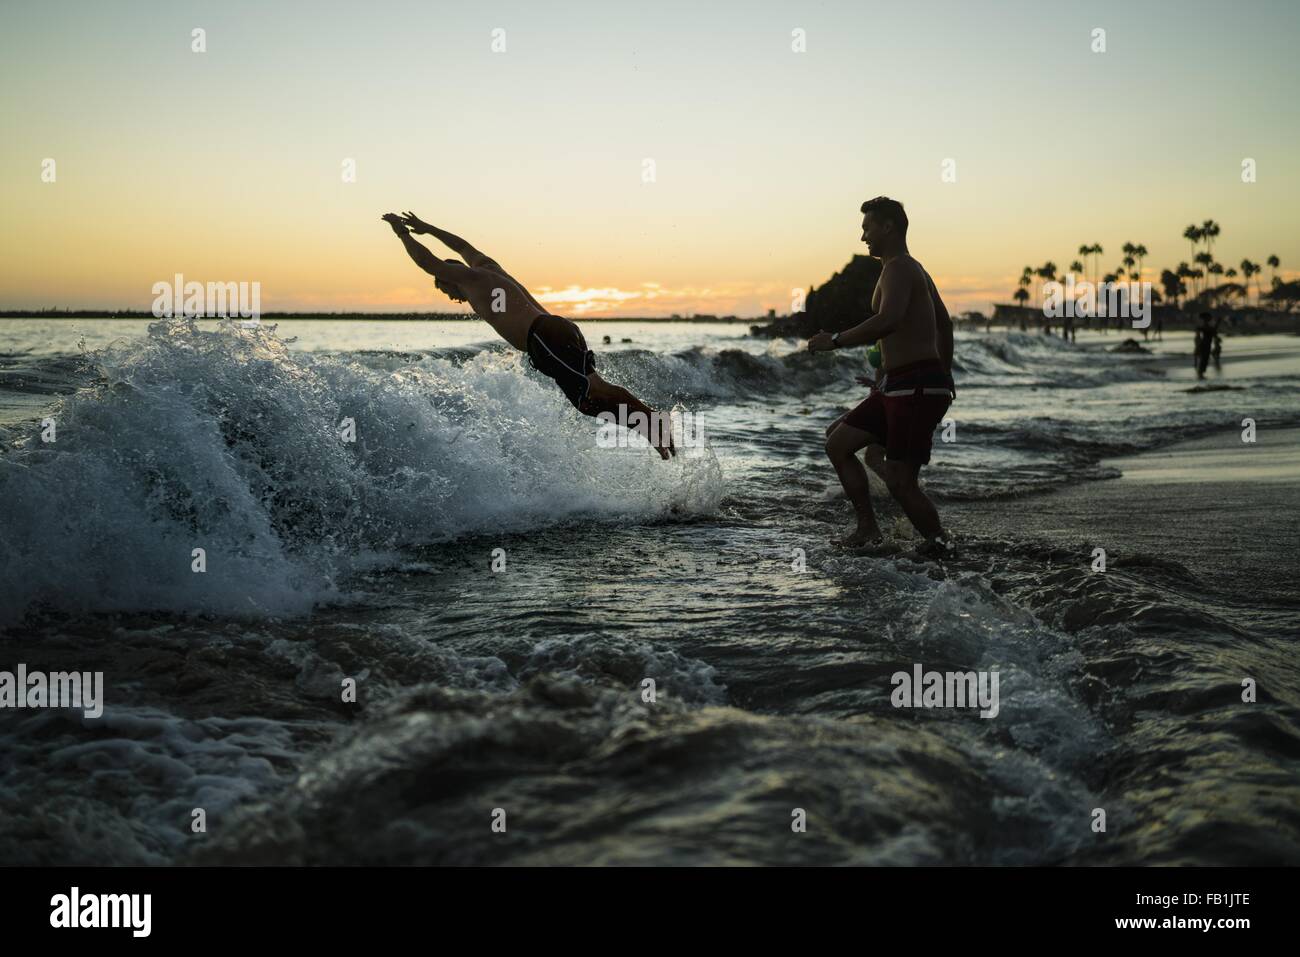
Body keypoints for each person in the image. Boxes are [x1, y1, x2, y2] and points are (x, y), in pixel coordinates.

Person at [382, 212, 674, 459]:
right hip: (551, 336)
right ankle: (647, 426)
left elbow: (427, 262)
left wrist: (401, 234)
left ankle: (653, 419)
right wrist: (428, 228)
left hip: (545, 337)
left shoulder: (470, 278)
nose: (453, 299)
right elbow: (462, 245)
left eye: (447, 292)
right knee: (588, 404)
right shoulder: (487, 267)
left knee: (596, 388)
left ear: (450, 278)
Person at [808, 197, 955, 554]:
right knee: (838, 443)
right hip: (901, 385)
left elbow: (889, 320)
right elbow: (945, 325)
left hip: (915, 385)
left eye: (867, 228)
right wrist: (944, 374)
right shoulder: (910, 269)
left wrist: (836, 341)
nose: (863, 238)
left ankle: (942, 548)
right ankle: (867, 528)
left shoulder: (900, 268)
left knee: (902, 483)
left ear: (888, 226)